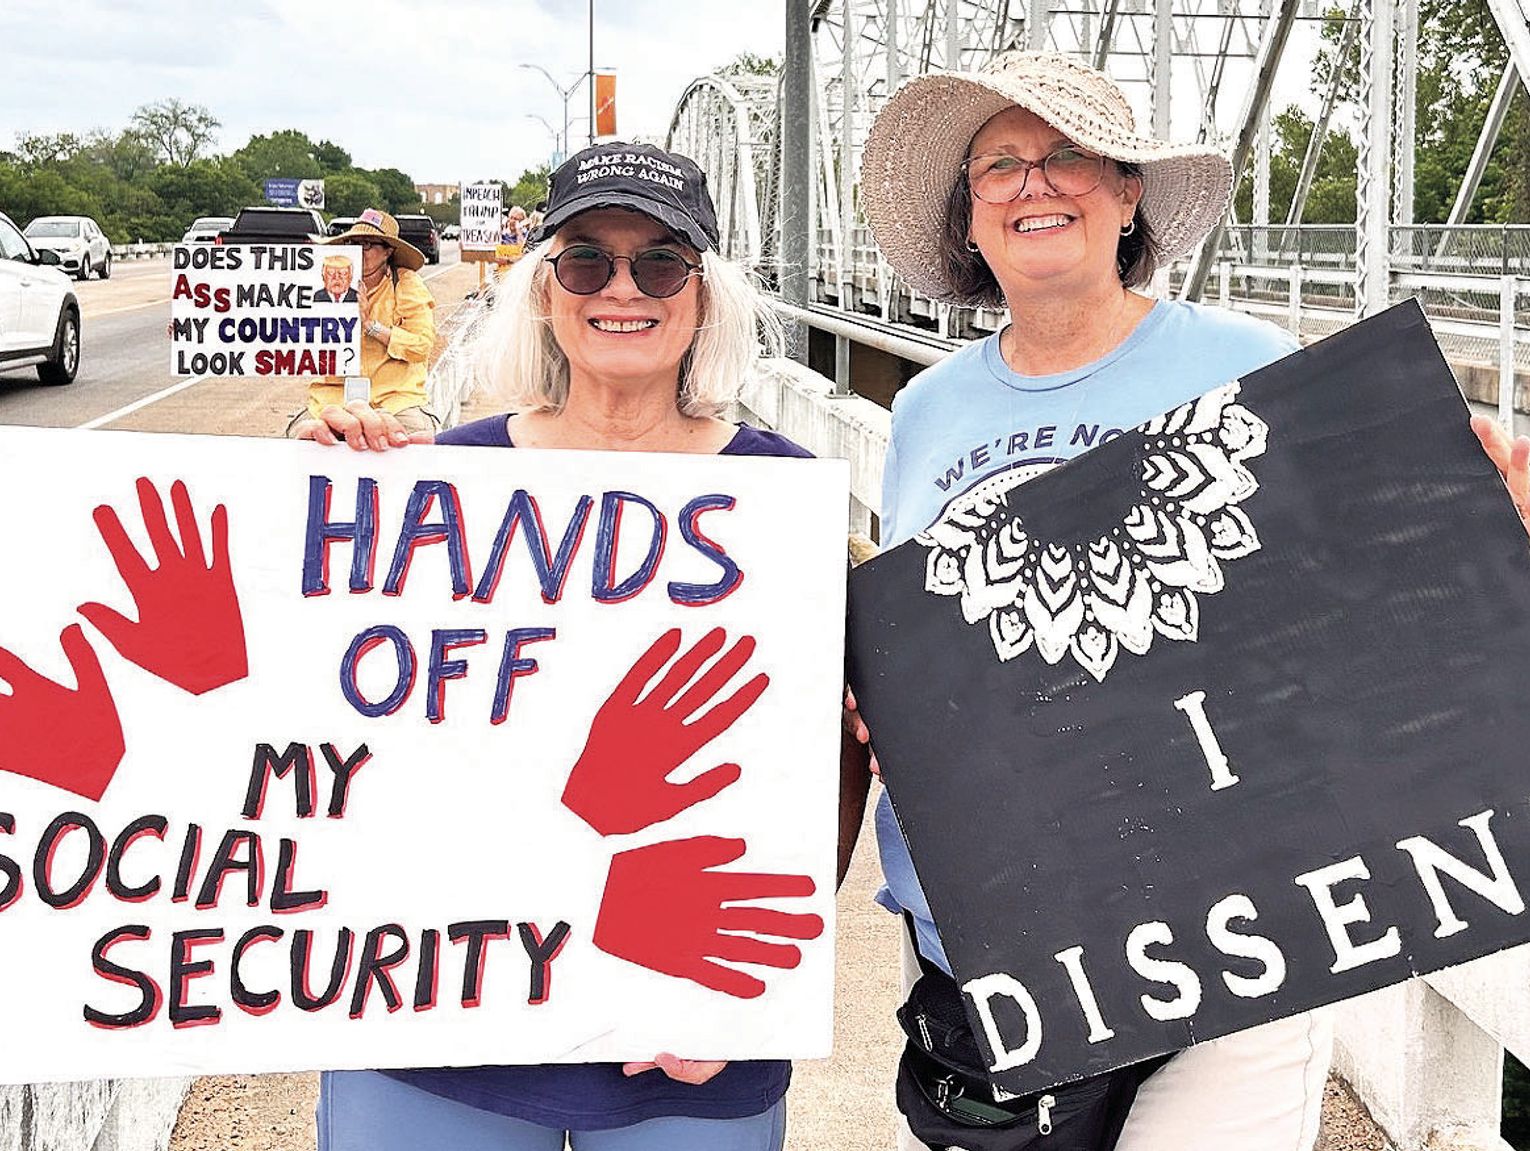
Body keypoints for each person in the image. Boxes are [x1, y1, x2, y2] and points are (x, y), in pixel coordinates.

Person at [307, 140, 871, 1151]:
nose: (624, 288)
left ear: (703, 296)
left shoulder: (784, 495)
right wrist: (296, 511)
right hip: (431, 1016)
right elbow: (314, 705)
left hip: (688, 1029)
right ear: (544, 291)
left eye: (661, 262)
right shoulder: (434, 479)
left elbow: (834, 752)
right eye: (587, 260)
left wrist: (754, 979)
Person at [847, 50, 1336, 1151]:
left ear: (1128, 197)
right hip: (982, 936)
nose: (1035, 183)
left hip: (1225, 921)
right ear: (969, 222)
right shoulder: (928, 408)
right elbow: (920, 641)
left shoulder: (1246, 363)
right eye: (1000, 165)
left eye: (1070, 156)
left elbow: (1349, 600)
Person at [288, 208, 439, 444]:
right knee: (300, 439)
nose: (360, 250)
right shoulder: (320, 282)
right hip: (332, 397)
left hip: (396, 398)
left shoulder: (406, 283)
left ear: (388, 251)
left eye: (369, 244)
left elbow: (421, 346)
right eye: (354, 242)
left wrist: (370, 326)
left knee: (416, 442)